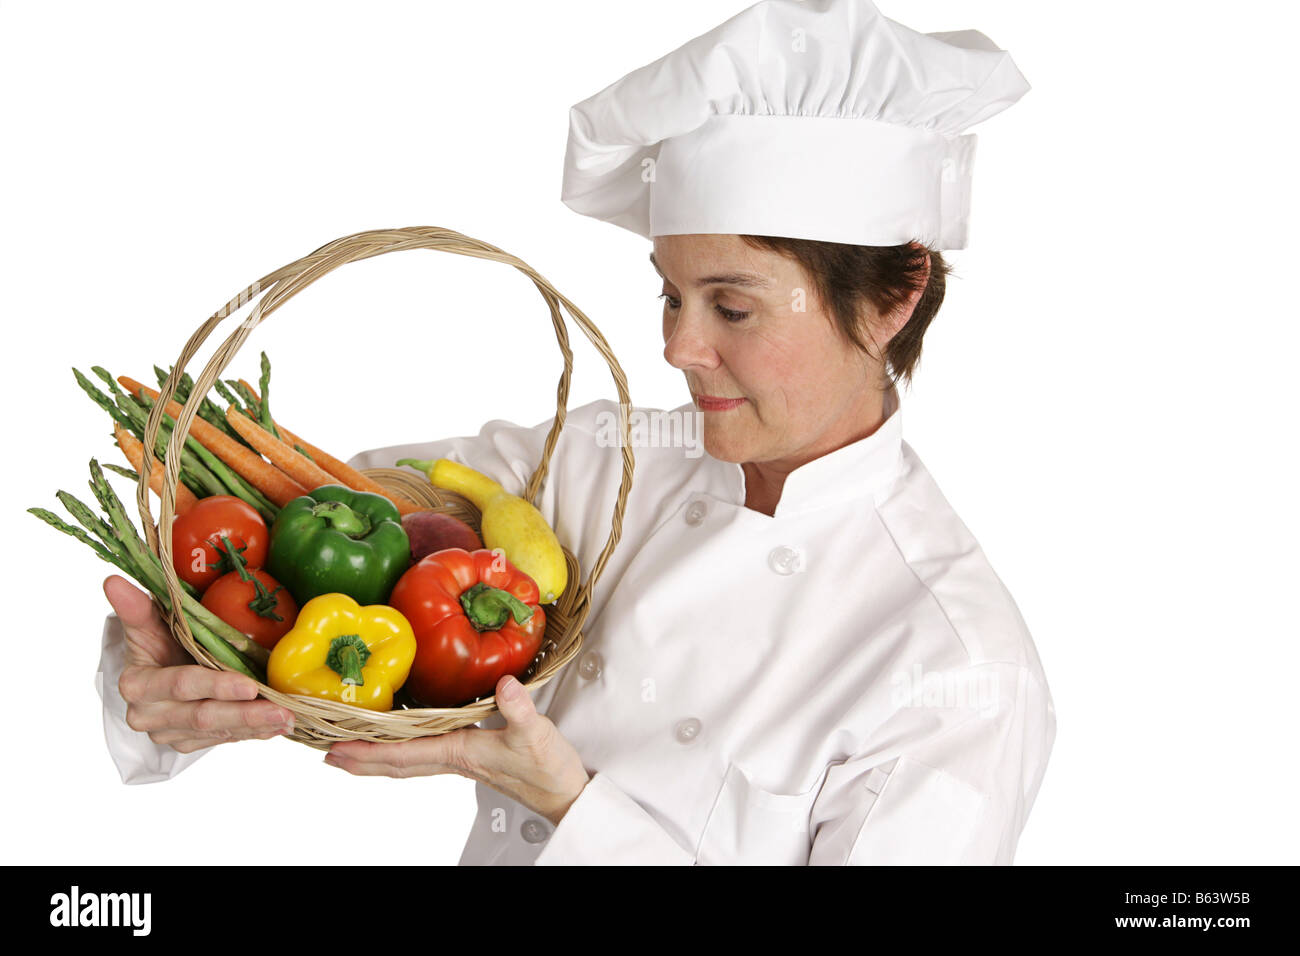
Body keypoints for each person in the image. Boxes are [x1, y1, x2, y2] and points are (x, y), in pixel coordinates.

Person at [98, 0, 1057, 864]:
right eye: (670, 295)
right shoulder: (603, 463)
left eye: (733, 308)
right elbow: (318, 521)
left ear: (897, 294)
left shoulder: (954, 666)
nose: (679, 348)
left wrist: (571, 804)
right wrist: (176, 668)